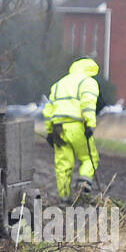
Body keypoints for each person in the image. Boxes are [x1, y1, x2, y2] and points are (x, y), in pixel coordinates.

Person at [43, 57, 100, 201]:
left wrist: (49, 131)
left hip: (58, 128)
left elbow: (49, 109)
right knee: (89, 158)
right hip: (77, 126)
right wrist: (89, 124)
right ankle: (83, 185)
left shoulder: (59, 84)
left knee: (63, 164)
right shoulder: (88, 82)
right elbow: (88, 104)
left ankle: (64, 197)